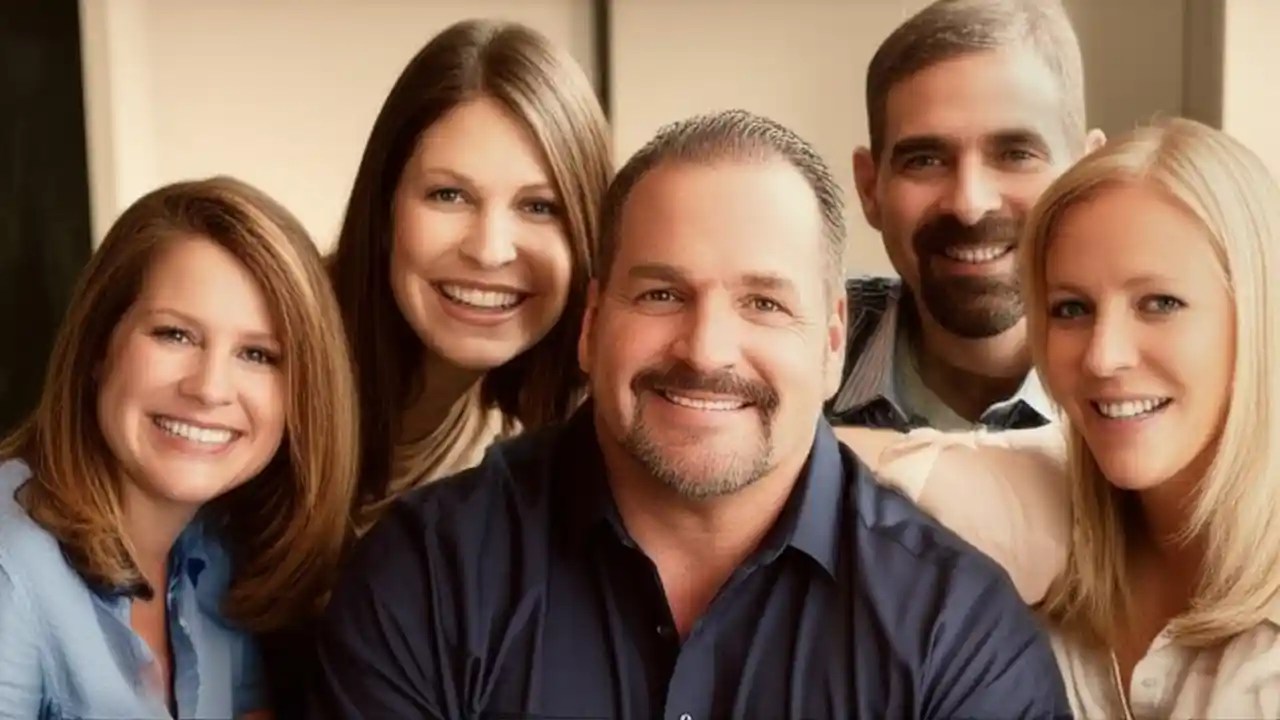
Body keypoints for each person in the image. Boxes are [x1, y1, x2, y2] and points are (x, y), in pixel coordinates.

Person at [311, 109, 1070, 719]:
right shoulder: (426, 577)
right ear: (592, 321)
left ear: (834, 341)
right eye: (662, 294)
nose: (707, 349)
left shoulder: (957, 638)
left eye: (763, 303)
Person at [844, 117, 1280, 717]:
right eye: (1071, 309)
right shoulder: (1043, 490)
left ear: (1256, 316)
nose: (1103, 355)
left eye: (1160, 304)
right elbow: (820, 472)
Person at [0, 177, 359, 718]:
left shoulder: (213, 553)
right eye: (175, 335)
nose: (210, 388)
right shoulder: (10, 565)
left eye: (258, 355)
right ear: (101, 345)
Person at [327, 18, 612, 535]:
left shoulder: (523, 451)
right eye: (449, 195)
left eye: (539, 206)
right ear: (386, 207)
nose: (489, 250)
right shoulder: (266, 365)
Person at [828, 0, 1105, 431]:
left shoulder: (1154, 392)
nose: (970, 204)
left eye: (1016, 154)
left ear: (1087, 177)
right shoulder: (790, 358)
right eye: (924, 160)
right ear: (870, 189)